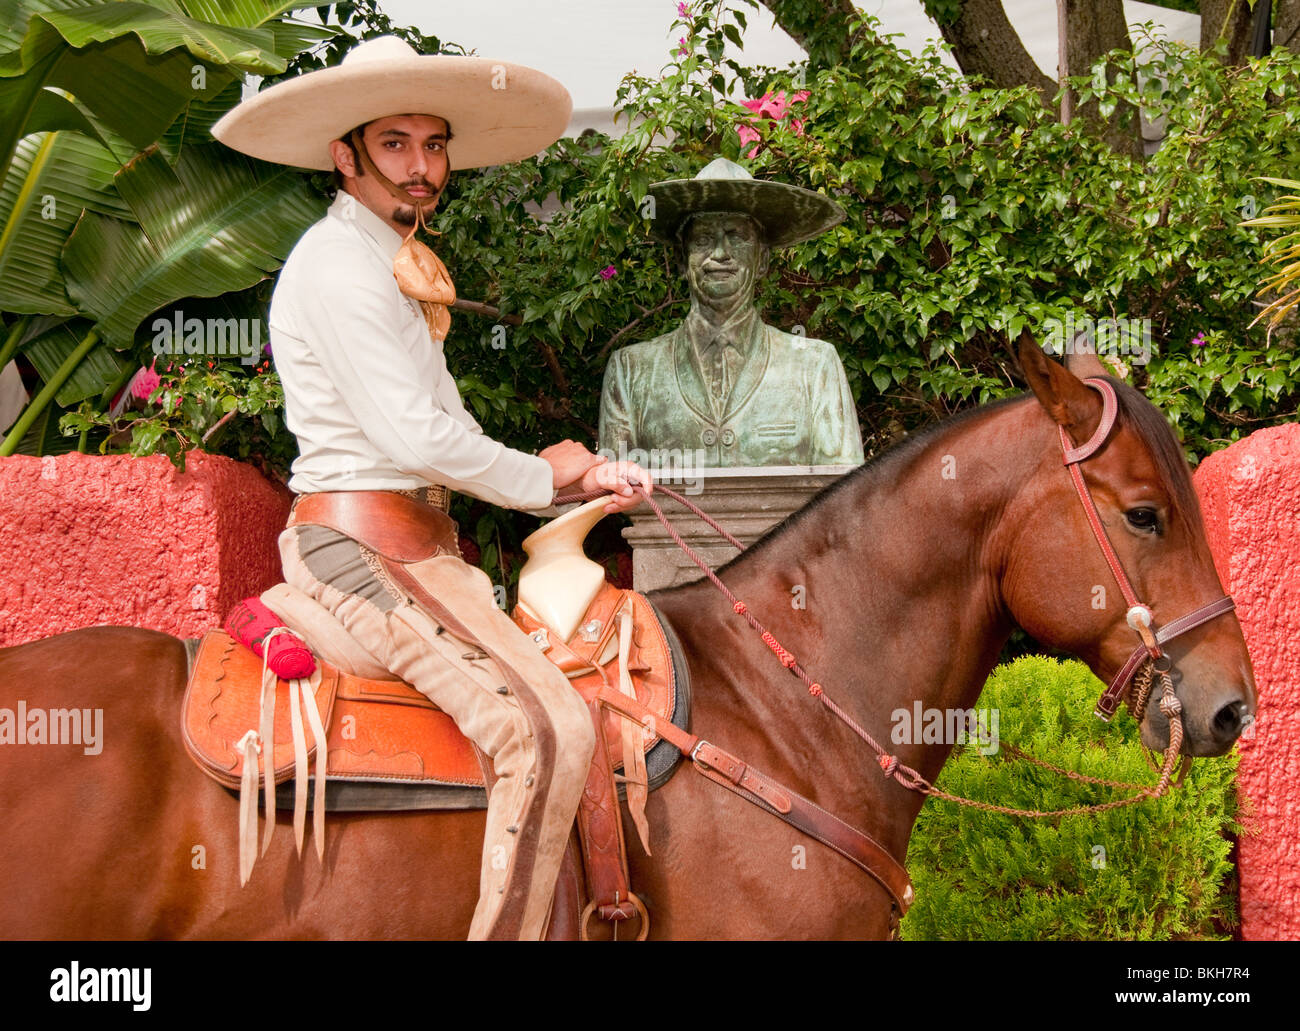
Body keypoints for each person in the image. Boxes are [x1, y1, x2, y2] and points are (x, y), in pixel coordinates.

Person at [212, 35, 649, 940]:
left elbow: (441, 431)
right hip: (367, 549)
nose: (423, 168)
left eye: (435, 144)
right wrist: (544, 478)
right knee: (549, 730)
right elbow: (416, 437)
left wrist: (578, 478)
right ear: (347, 154)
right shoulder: (339, 266)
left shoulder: (390, 262)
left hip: (416, 546)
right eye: (398, 143)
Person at [599, 157, 864, 468]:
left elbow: (843, 492)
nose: (720, 253)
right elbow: (613, 491)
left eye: (736, 237)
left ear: (762, 261)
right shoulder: (631, 371)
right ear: (683, 261)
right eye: (703, 240)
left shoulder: (814, 366)